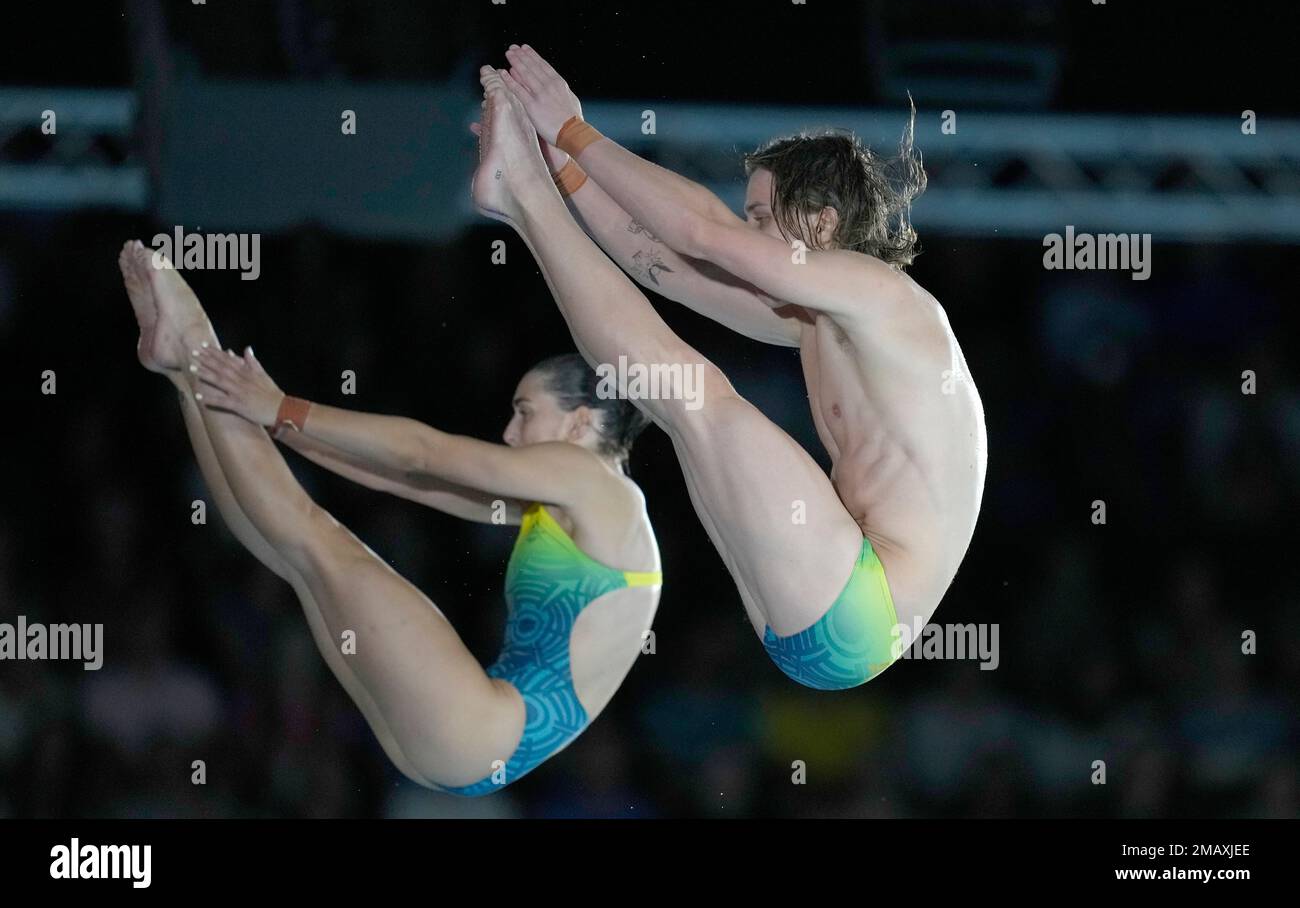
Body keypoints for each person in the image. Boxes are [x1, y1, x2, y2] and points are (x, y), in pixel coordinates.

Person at [467, 45, 986, 690]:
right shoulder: (815, 320)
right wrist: (563, 170)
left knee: (694, 393)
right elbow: (668, 266)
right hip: (825, 616)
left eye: (761, 219)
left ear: (823, 222)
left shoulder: (884, 296)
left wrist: (573, 130)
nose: (747, 234)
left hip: (858, 602)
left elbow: (703, 233)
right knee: (672, 395)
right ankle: (524, 199)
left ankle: (521, 198)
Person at [116, 240, 660, 794]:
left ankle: (195, 344)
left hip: (478, 726)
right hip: (461, 750)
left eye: (525, 414)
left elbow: (423, 452)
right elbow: (400, 478)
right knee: (293, 555)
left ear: (579, 424)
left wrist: (281, 408)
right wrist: (280, 422)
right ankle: (185, 372)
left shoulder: (593, 479)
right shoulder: (571, 507)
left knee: (313, 539)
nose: (509, 434)